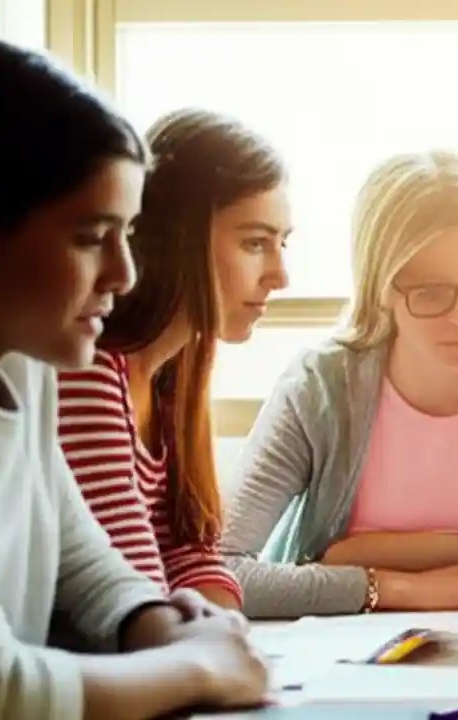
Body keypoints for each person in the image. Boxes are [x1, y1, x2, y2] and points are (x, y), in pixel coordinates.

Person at [0, 38, 267, 719]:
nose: (125, 275)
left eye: (127, 234)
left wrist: (160, 623)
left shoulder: (26, 364)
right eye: (88, 237)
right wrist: (196, 665)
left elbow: (84, 556)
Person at [222, 151, 458, 618]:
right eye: (431, 294)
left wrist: (359, 553)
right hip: (340, 662)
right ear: (381, 290)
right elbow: (223, 574)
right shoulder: (320, 388)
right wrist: (405, 586)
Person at [57, 109, 292, 611]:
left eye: (283, 243)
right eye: (255, 243)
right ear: (179, 239)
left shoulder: (174, 375)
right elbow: (131, 590)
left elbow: (190, 550)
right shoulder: (90, 373)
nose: (279, 274)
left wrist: (225, 631)